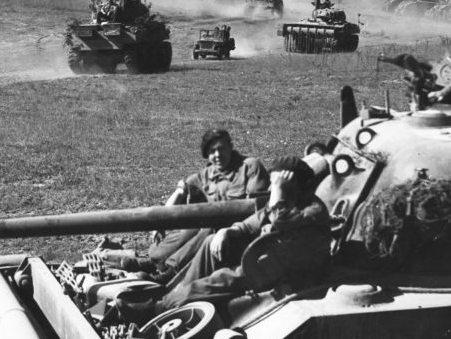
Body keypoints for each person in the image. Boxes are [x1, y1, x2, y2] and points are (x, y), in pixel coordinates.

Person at [136, 156, 336, 318]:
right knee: (209, 244)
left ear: (293, 185)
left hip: (281, 274)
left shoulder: (311, 211)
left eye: (276, 182)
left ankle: (156, 311)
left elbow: (279, 219)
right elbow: (255, 220)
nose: (271, 186)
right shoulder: (290, 201)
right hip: (266, 260)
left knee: (215, 281)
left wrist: (278, 192)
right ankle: (172, 299)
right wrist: (228, 231)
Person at [146, 129, 269, 274]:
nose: (217, 155)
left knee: (211, 227)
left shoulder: (250, 167)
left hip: (240, 235)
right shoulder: (207, 174)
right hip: (213, 232)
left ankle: (171, 270)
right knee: (191, 230)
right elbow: (181, 190)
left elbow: (259, 210)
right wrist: (161, 221)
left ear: (230, 146)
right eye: (212, 151)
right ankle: (154, 262)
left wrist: (230, 228)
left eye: (221, 148)